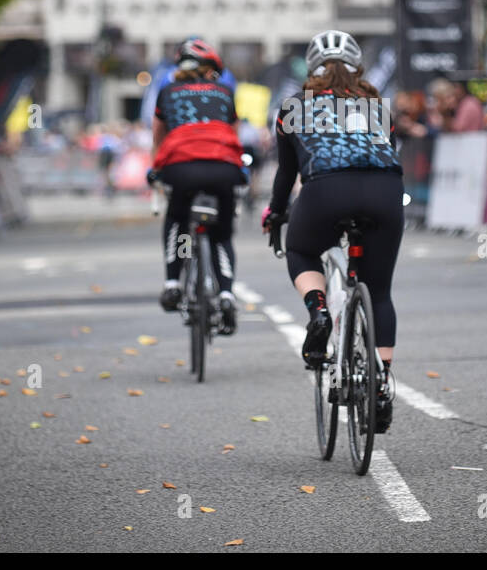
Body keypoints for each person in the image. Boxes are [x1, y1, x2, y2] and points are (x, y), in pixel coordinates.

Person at [261, 30, 403, 433]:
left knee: (302, 251)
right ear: (358, 67)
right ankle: (380, 385)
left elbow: (287, 175)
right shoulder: (377, 105)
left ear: (311, 68)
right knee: (379, 292)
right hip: (385, 194)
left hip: (325, 192)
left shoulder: (293, 106)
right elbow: (390, 154)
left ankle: (318, 310)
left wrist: (275, 215)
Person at [150, 39, 245, 334]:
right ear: (209, 71)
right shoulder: (225, 93)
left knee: (177, 220)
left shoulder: (166, 93)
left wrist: (156, 172)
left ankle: (172, 283)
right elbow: (235, 137)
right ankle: (227, 294)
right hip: (222, 168)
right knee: (222, 232)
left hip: (182, 169)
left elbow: (158, 138)